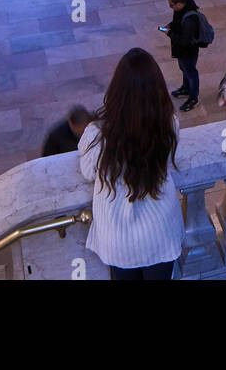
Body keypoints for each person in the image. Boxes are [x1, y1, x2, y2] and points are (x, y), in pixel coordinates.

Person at [78, 49, 183, 279]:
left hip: (119, 240)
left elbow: (87, 172)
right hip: (161, 232)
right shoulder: (169, 124)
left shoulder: (98, 135)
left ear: (117, 90)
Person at [164, 0, 206, 112]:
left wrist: (169, 33)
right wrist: (170, 26)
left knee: (191, 72)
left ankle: (194, 98)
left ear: (178, 3)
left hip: (188, 51)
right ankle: (186, 88)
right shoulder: (181, 10)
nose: (171, 8)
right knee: (184, 69)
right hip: (181, 51)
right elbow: (177, 22)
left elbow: (184, 41)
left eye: (172, 5)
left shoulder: (190, 20)